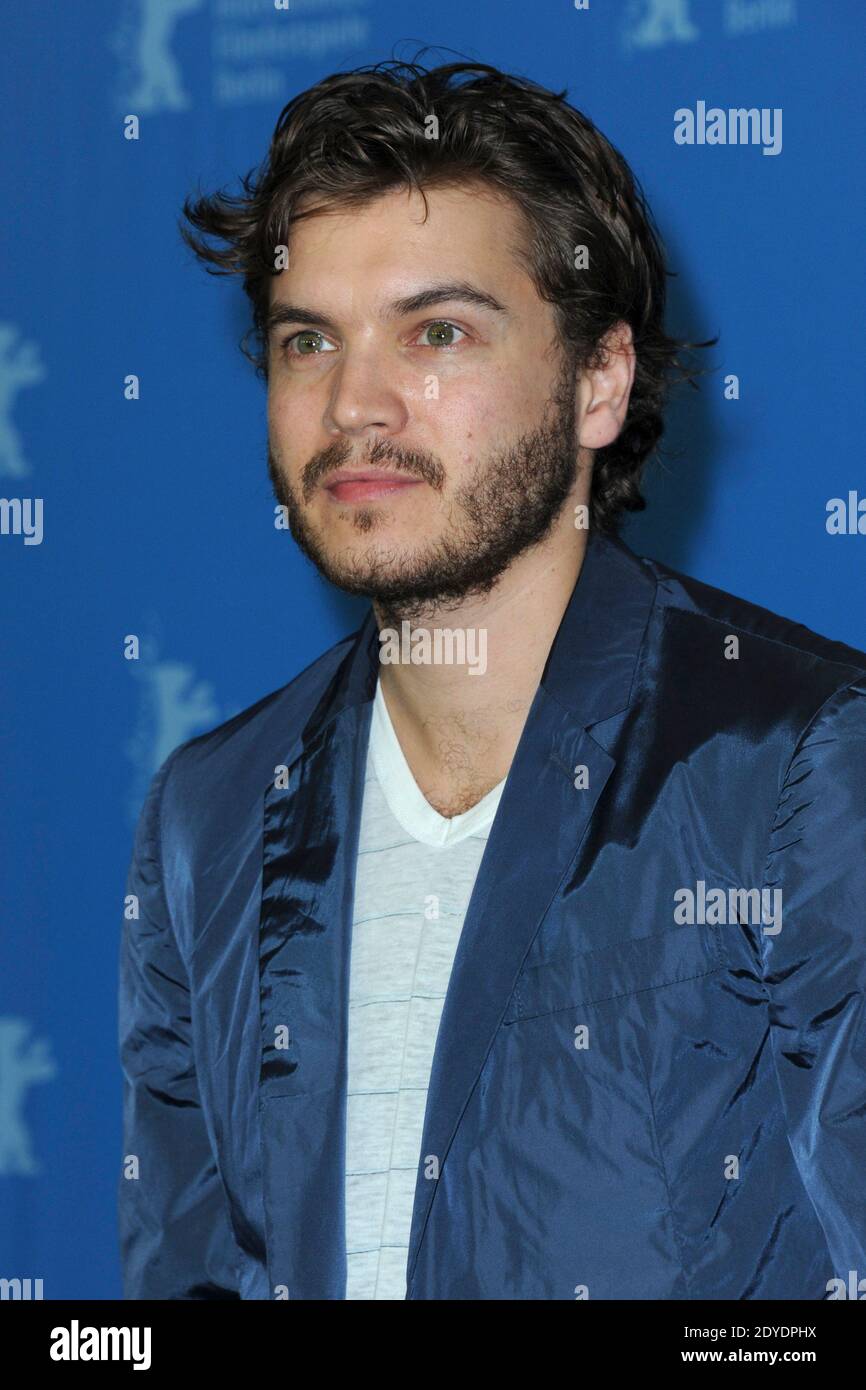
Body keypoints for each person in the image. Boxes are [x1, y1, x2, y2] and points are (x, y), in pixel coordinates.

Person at [118, 58, 866, 1300]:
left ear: (596, 382)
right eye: (309, 341)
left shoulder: (796, 759)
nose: (355, 404)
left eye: (437, 332)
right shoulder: (211, 810)